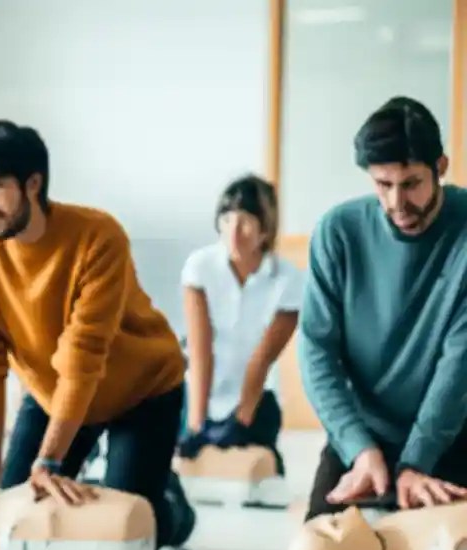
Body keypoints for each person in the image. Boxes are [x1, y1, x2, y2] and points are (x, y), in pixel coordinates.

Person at [0, 119, 195, 548]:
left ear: (33, 184)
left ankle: (167, 498)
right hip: (53, 392)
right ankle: (109, 475)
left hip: (141, 391)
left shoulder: (99, 237)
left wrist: (48, 461)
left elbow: (83, 357)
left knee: (130, 529)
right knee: (12, 511)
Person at [299, 96, 467, 519]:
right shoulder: (338, 232)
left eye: (411, 184)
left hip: (452, 432)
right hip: (364, 437)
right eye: (382, 184)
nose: (396, 202)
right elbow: (317, 352)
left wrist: (417, 461)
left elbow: (460, 364)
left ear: (441, 167)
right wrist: (358, 448)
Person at [177, 175, 303, 474]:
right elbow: (200, 351)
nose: (233, 232)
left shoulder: (289, 279)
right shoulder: (200, 266)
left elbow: (261, 360)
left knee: (255, 465)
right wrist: (196, 426)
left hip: (253, 400)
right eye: (227, 220)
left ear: (265, 230)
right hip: (197, 395)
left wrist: (241, 420)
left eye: (245, 222)